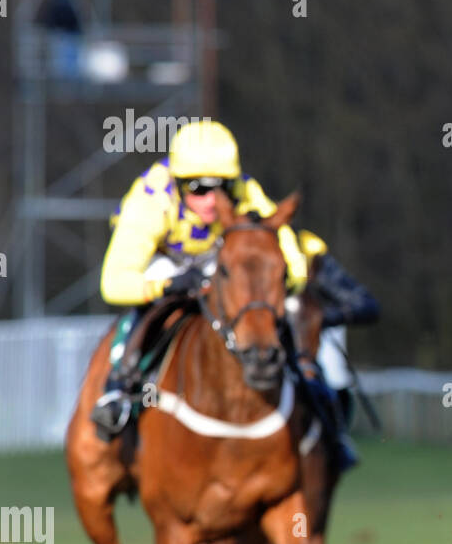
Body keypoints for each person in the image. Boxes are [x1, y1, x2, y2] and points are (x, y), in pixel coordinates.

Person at [90, 119, 377, 471]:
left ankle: (320, 409)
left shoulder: (246, 190)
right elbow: (114, 283)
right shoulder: (150, 201)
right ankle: (119, 387)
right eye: (197, 189)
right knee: (151, 306)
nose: (212, 200)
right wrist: (166, 286)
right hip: (165, 263)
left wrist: (287, 283)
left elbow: (283, 243)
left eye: (222, 187)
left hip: (218, 258)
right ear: (178, 184)